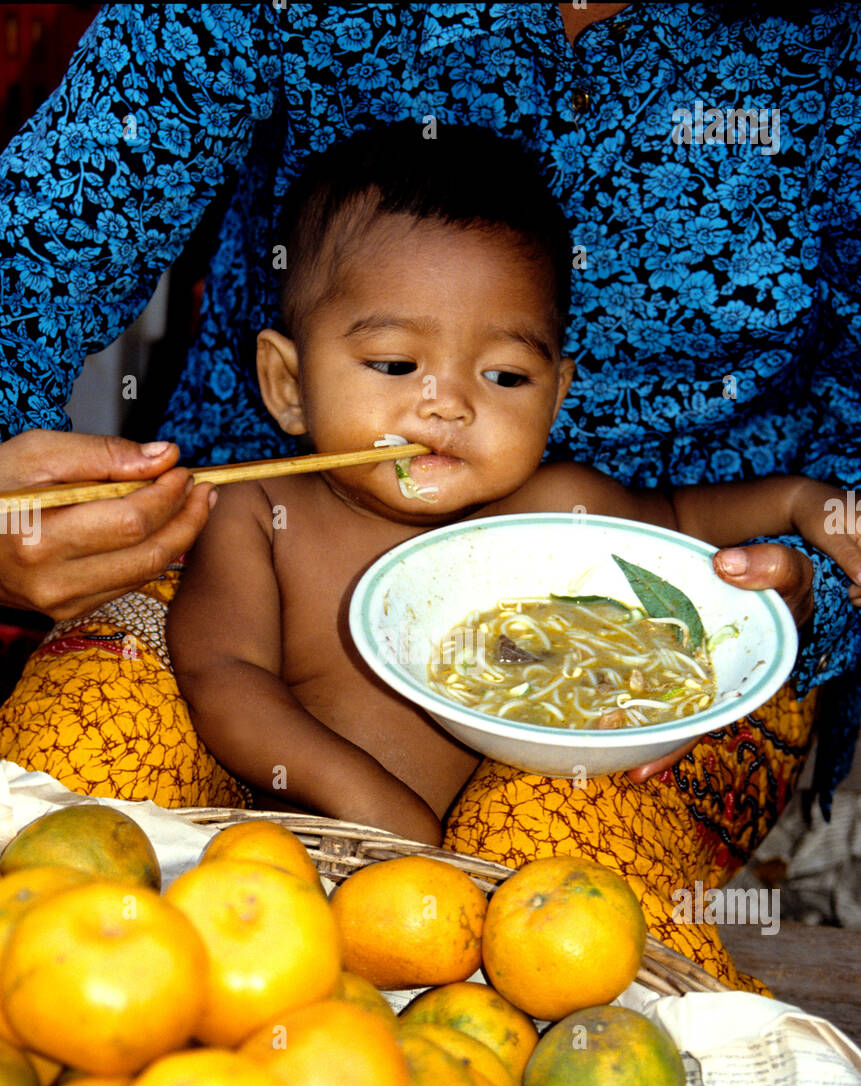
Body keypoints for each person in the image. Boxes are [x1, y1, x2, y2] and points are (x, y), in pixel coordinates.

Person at [0, 3, 857, 982]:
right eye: (397, 362)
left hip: (618, 716)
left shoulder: (558, 508)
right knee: (64, 814)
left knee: (571, 929)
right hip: (302, 828)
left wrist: (804, 514)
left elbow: (691, 523)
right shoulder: (259, 514)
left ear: (557, 391)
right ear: (284, 383)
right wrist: (382, 816)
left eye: (504, 379)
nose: (446, 405)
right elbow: (226, 675)